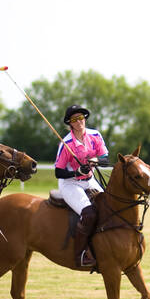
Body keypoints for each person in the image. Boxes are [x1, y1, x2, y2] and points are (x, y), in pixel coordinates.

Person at [54, 105, 108, 268]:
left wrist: (94, 161)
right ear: (70, 123)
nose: (79, 122)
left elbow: (104, 157)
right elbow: (58, 172)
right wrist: (76, 172)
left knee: (108, 207)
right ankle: (80, 254)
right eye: (74, 119)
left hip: (89, 180)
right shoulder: (66, 143)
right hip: (70, 183)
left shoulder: (95, 135)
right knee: (89, 213)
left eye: (81, 118)